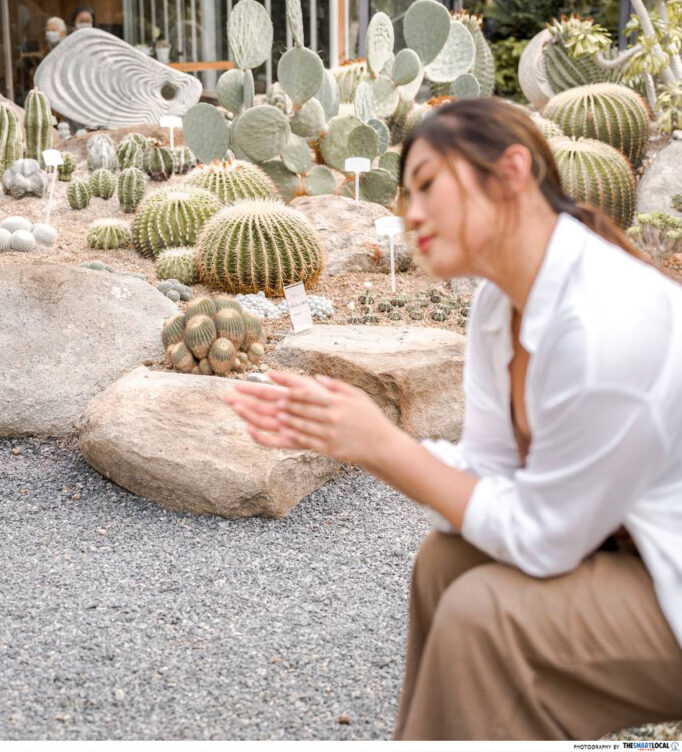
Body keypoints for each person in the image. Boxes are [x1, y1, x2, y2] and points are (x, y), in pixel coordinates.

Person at [224, 97, 682, 741]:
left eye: (429, 186)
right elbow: (493, 477)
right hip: (635, 549)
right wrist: (356, 439)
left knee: (483, 617)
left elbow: (545, 540)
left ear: (512, 172)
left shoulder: (607, 322)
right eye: (404, 196)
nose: (410, 216)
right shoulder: (501, 307)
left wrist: (382, 446)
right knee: (447, 562)